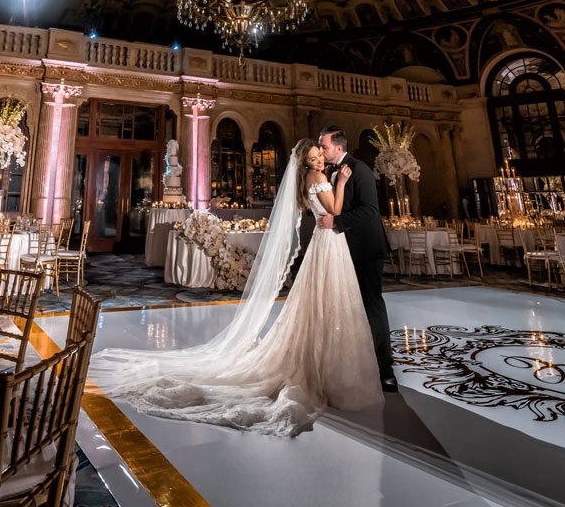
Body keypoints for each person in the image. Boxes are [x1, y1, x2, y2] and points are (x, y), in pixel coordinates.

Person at [88, 138, 382, 436]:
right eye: (316, 155)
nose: (320, 159)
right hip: (329, 241)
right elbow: (336, 208)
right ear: (306, 161)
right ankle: (328, 368)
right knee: (329, 299)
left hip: (326, 243)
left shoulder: (309, 177)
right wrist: (342, 183)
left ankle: (322, 362)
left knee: (321, 299)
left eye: (321, 153)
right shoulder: (319, 177)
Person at [317, 126, 397, 392]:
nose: (321, 150)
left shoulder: (359, 168)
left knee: (371, 305)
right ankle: (356, 364)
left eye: (324, 146)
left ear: (338, 148)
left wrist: (337, 221)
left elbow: (370, 211)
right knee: (349, 307)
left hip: (366, 248)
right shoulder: (327, 172)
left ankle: (386, 369)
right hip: (343, 250)